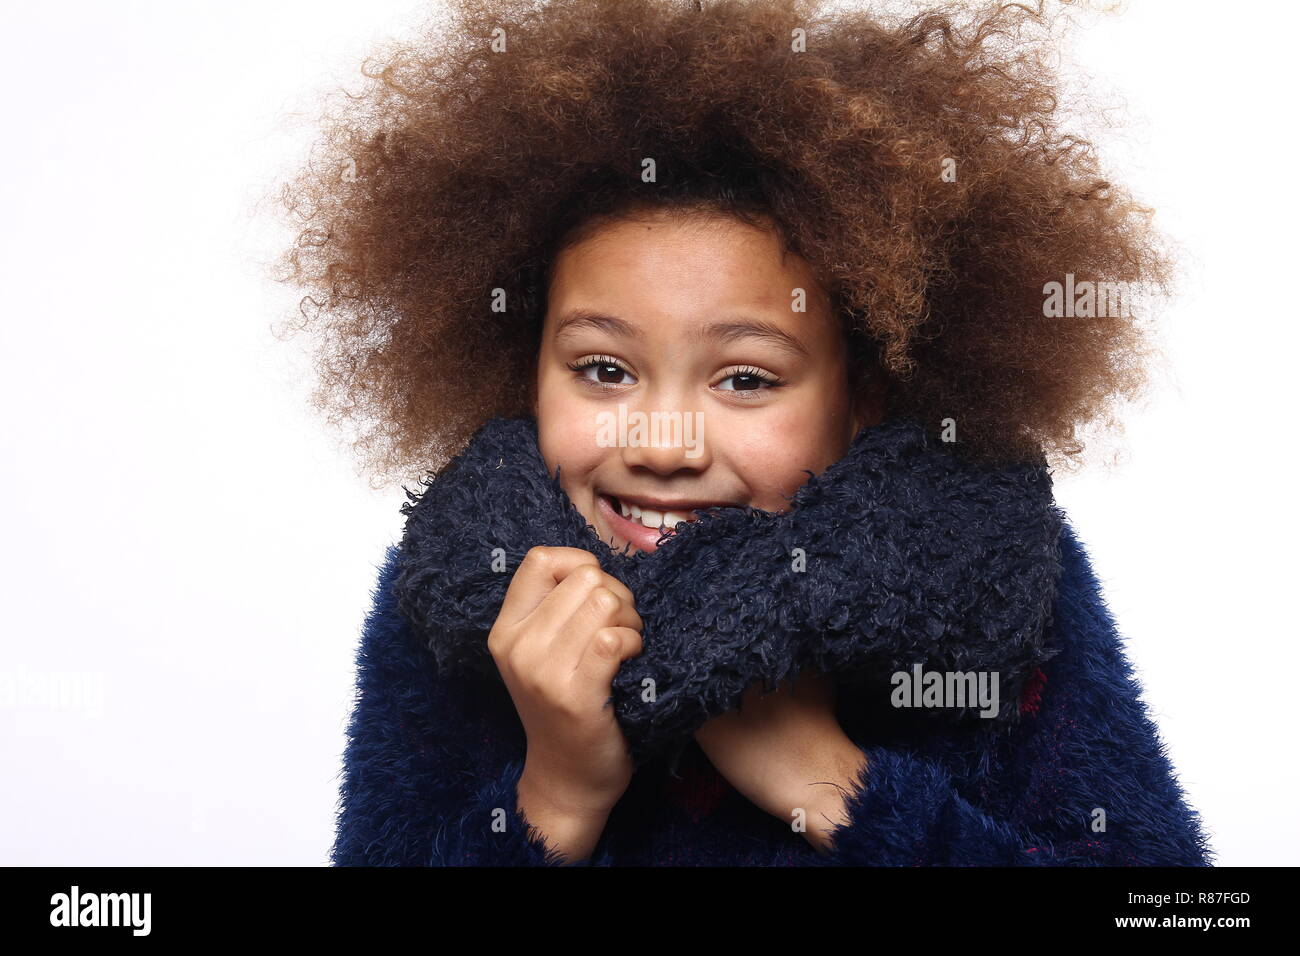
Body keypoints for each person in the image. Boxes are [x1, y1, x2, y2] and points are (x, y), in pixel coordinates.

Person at [274, 0, 1214, 865]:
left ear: (868, 398)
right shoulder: (466, 597)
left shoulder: (995, 590)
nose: (664, 443)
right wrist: (553, 797)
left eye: (746, 379)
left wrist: (833, 784)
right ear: (525, 367)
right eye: (604, 370)